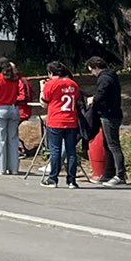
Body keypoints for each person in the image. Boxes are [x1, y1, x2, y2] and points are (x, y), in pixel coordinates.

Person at [40, 60, 83, 187]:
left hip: (56, 120)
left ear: (51, 73)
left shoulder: (51, 84)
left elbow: (44, 103)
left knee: (55, 150)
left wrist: (42, 88)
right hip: (71, 121)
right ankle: (72, 180)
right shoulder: (73, 84)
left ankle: (53, 178)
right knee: (71, 151)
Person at [84, 56, 125, 187]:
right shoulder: (111, 76)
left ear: (96, 68)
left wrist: (93, 99)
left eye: (91, 70)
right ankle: (109, 172)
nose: (92, 73)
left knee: (113, 145)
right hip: (112, 113)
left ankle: (120, 175)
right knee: (107, 144)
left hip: (109, 115)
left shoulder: (104, 78)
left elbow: (103, 94)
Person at [0, 58, 27, 177]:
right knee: (13, 140)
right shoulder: (14, 78)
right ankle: (14, 168)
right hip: (13, 109)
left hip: (0, 109)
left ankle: (0, 167)